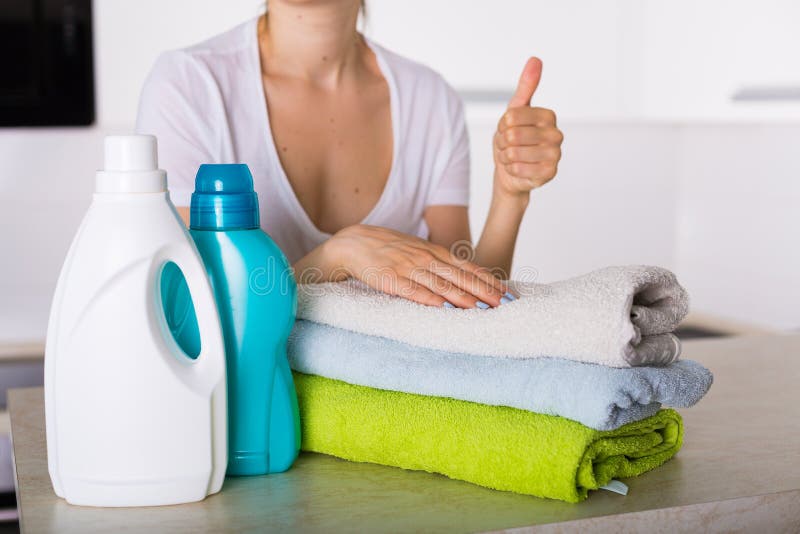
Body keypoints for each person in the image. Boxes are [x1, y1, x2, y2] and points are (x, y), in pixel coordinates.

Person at [136, 0, 563, 309]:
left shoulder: (431, 100)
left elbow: (466, 301)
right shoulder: (188, 86)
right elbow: (187, 308)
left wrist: (510, 196)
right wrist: (336, 257)